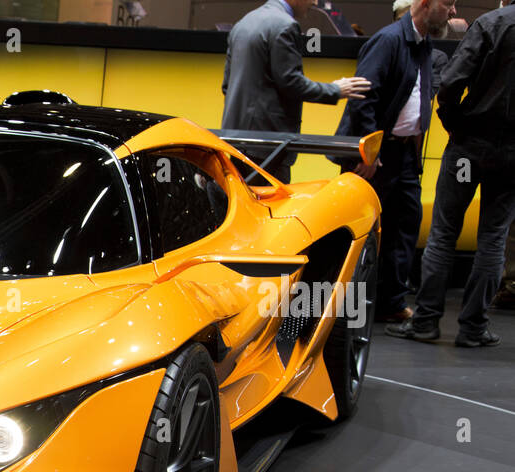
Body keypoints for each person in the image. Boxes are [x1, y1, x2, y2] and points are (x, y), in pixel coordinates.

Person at [387, 1, 515, 346]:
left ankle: (426, 321)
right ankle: (473, 327)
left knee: (444, 231)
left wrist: (458, 128)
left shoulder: (492, 23)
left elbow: (450, 84)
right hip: (510, 160)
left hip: (468, 152)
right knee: (493, 238)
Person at [333, 0, 455, 323]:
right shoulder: (388, 40)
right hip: (376, 152)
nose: (453, 12)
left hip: (404, 155)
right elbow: (363, 96)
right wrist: (369, 152)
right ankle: (349, 308)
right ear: (425, 4)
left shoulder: (425, 45)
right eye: (449, 4)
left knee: (404, 226)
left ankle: (391, 303)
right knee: (364, 229)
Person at [221, 0, 371, 183]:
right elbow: (291, 83)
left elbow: (227, 85)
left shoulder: (244, 22)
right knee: (273, 207)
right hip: (269, 143)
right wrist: (336, 90)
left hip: (236, 139)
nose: (315, 3)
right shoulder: (285, 25)